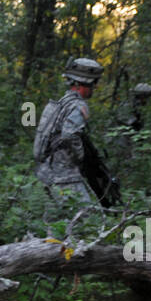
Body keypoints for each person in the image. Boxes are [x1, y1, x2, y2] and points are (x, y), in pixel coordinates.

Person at [34, 57, 106, 207]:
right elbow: (69, 134)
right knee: (84, 216)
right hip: (64, 175)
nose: (94, 88)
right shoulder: (78, 105)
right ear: (81, 84)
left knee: (54, 221)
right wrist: (80, 155)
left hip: (47, 171)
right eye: (92, 84)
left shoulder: (62, 103)